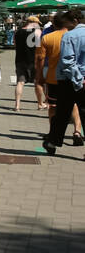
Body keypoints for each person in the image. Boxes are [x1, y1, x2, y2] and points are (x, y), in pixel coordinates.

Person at [40, 10, 84, 152]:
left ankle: (52, 142)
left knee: (62, 114)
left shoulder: (69, 36)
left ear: (75, 21)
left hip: (69, 81)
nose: (65, 26)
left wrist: (78, 80)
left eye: (67, 23)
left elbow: (67, 62)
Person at [13, 16, 39, 112]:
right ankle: (40, 104)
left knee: (20, 82)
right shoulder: (35, 33)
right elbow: (38, 47)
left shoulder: (18, 32)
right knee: (37, 83)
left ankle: (17, 106)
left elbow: (15, 45)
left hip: (20, 60)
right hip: (32, 61)